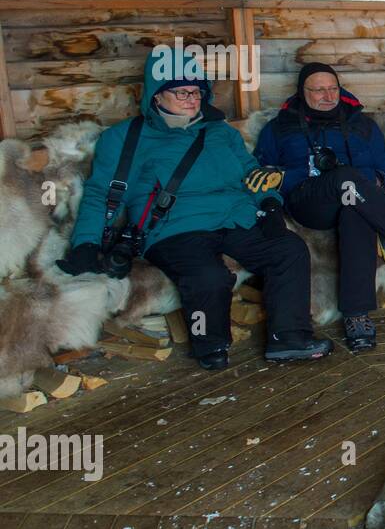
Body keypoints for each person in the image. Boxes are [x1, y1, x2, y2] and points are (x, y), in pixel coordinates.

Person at [58, 49, 332, 370]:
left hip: (234, 216)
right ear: (156, 95)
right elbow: (101, 193)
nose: (192, 99)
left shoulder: (220, 132)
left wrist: (270, 204)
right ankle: (208, 342)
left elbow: (252, 173)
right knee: (208, 275)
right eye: (181, 91)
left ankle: (289, 338)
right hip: (174, 226)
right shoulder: (125, 137)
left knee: (288, 248)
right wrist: (86, 243)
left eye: (197, 91)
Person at [254, 62, 385, 351]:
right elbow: (265, 174)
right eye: (318, 90)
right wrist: (310, 174)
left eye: (333, 88)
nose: (328, 96)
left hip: (357, 203)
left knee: (354, 211)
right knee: (344, 177)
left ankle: (357, 317)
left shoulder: (362, 125)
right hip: (309, 202)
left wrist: (363, 185)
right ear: (302, 92)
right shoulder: (280, 127)